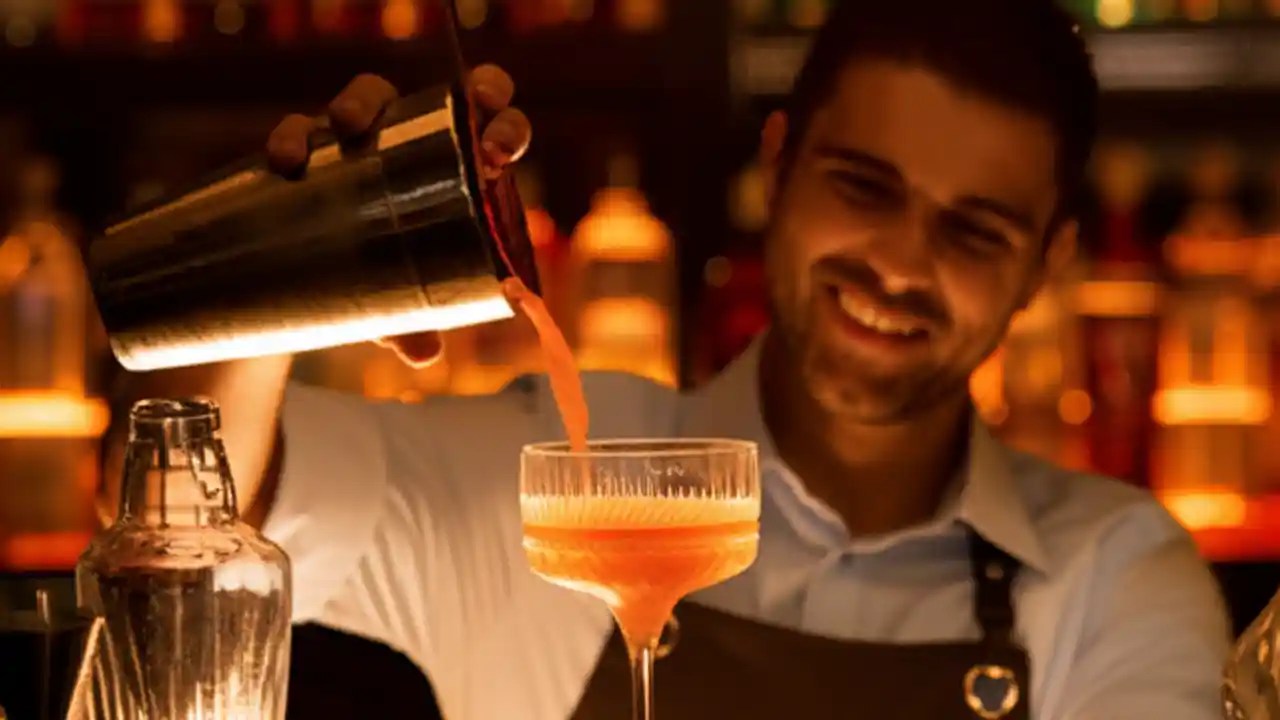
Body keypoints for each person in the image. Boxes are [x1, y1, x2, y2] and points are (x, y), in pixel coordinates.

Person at [102, 1, 1230, 718]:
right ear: (777, 167)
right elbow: (186, 510)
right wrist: (290, 254)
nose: (898, 264)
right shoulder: (550, 482)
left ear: (1046, 264)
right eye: (862, 187)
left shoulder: (1111, 577)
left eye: (973, 231)